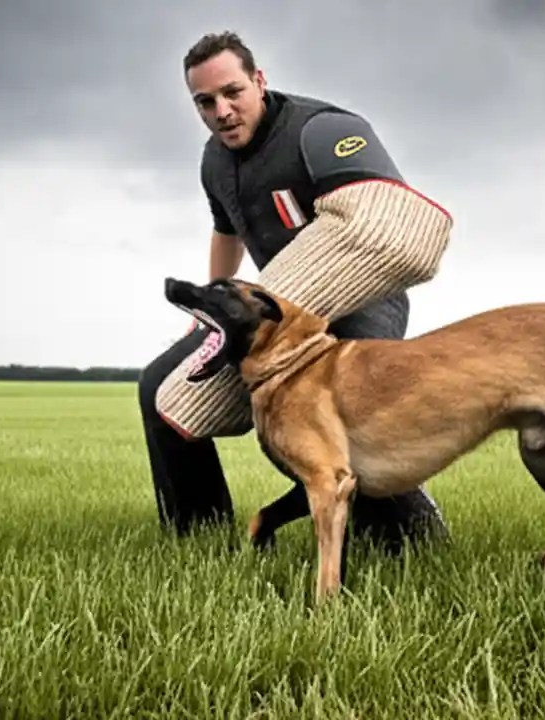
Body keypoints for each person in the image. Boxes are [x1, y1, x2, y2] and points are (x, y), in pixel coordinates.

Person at [137, 31, 454, 551]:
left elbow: (381, 220)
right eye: (205, 102)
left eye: (233, 92)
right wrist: (209, 314)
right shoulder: (214, 162)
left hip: (362, 300)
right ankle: (200, 533)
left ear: (259, 81)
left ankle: (412, 533)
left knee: (346, 407)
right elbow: (226, 232)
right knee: (159, 387)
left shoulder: (323, 131)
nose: (222, 110)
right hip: (271, 314)